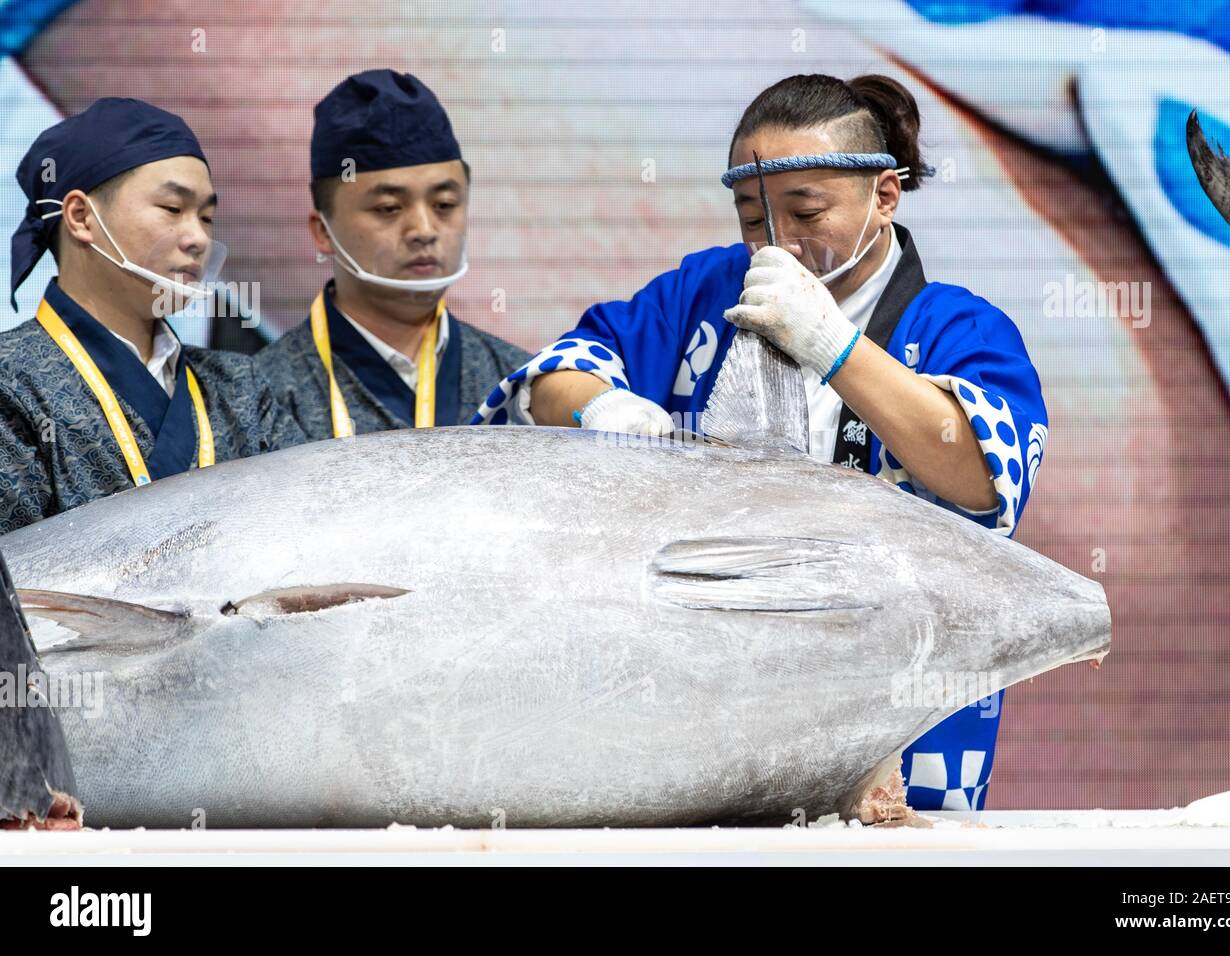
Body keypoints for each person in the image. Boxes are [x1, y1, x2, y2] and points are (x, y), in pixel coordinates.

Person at [474, 73, 1050, 811]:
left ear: (885, 194)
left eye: (806, 210)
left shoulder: (958, 328)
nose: (778, 241)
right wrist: (603, 408)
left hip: (900, 725)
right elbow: (549, 381)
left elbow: (985, 479)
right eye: (753, 216)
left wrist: (832, 344)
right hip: (703, 715)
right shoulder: (705, 290)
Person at [0, 97, 304, 535]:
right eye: (173, 209)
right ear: (82, 217)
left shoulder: (241, 386)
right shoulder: (12, 385)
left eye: (208, 216)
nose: (198, 237)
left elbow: (304, 532)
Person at [255, 69, 528, 439]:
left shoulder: (520, 384)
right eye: (388, 208)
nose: (425, 230)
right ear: (323, 231)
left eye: (444, 204)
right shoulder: (261, 398)